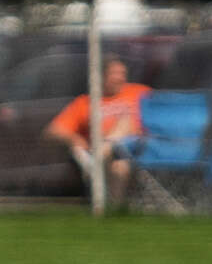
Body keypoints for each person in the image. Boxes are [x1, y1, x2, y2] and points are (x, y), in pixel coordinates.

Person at [44, 54, 151, 207]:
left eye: (122, 74)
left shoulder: (139, 93)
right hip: (112, 158)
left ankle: (97, 157)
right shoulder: (85, 102)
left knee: (125, 119)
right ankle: (114, 210)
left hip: (137, 148)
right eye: (114, 74)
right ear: (100, 76)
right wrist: (75, 139)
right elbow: (52, 131)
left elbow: (160, 114)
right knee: (120, 167)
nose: (120, 78)